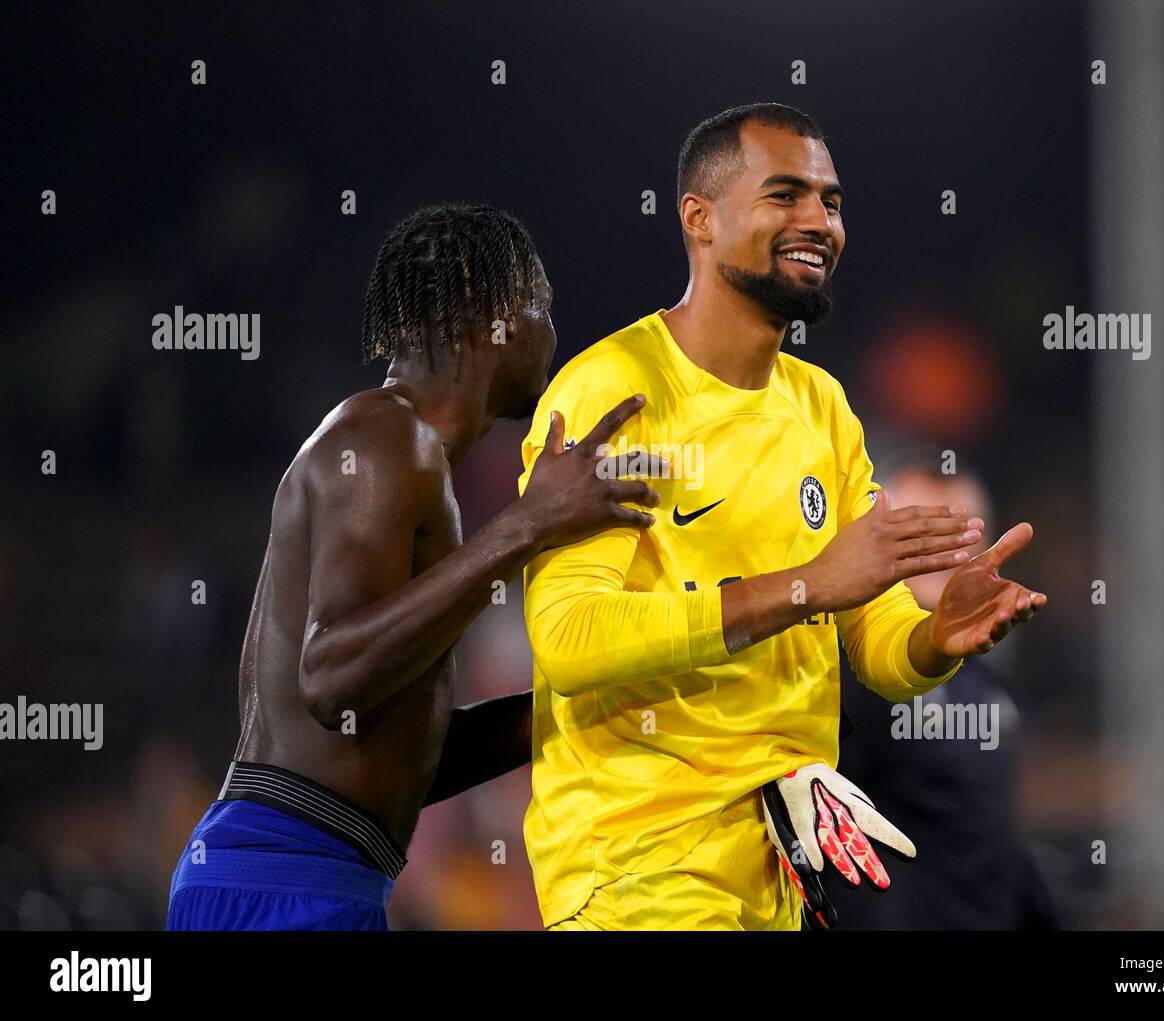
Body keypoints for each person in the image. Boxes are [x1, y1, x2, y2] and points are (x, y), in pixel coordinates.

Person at [517, 103, 1046, 930]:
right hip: (641, 870)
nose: (818, 222)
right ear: (698, 218)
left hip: (786, 878)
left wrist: (933, 639)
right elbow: (571, 638)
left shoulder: (822, 406)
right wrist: (804, 585)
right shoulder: (614, 392)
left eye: (830, 202)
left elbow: (869, 631)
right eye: (785, 196)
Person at [167, 204, 661, 930]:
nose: (554, 333)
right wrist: (529, 523)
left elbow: (395, 757)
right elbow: (331, 677)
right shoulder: (382, 436)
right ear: (492, 316)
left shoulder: (410, 458)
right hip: (283, 880)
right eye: (543, 306)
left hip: (317, 873)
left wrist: (582, 706)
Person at [829, 449, 1062, 930]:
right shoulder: (844, 676)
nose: (943, 556)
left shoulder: (988, 681)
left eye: (961, 539)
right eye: (921, 535)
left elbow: (989, 833)